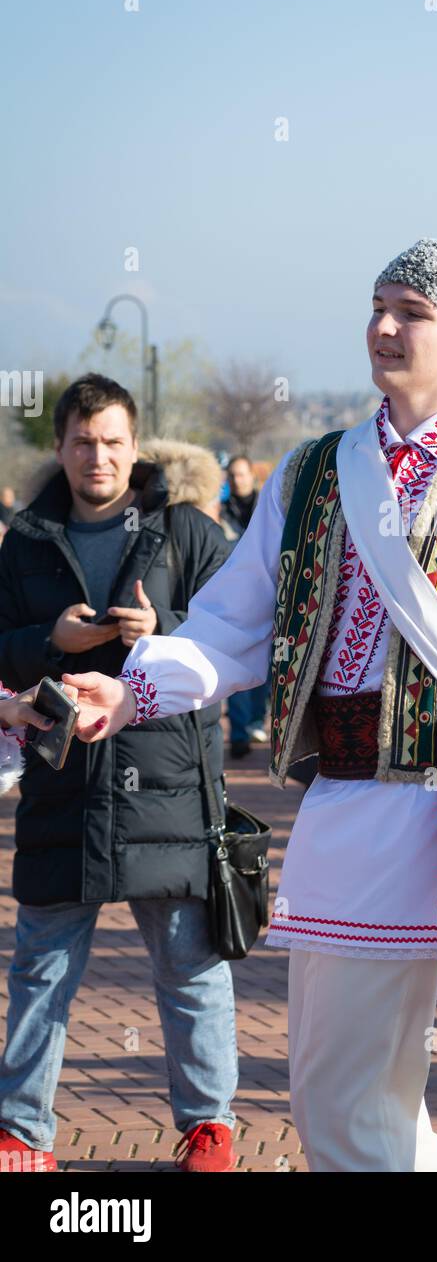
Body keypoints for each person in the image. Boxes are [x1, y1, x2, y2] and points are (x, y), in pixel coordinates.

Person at [66, 238, 437, 1173]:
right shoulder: (312, 472)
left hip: (433, 807)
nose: (384, 327)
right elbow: (230, 626)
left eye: (412, 312)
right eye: (378, 305)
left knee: (345, 1102)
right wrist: (133, 682)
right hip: (335, 802)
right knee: (359, 1096)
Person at [0, 374, 238, 1174]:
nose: (96, 456)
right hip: (62, 783)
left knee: (190, 968)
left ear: (136, 448)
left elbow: (242, 641)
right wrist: (49, 643)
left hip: (166, 787)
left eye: (111, 441)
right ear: (60, 448)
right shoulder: (26, 542)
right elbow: (1, 646)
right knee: (40, 971)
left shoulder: (185, 532)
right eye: (80, 442)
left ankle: (208, 1126)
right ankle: (21, 1132)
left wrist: (162, 632)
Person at [219, 455, 269, 758]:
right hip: (235, 599)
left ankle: (253, 722)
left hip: (267, 594)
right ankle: (239, 734)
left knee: (263, 666)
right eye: (232, 475)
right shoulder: (221, 513)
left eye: (242, 474)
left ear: (252, 476)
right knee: (238, 664)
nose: (238, 480)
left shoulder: (269, 507)